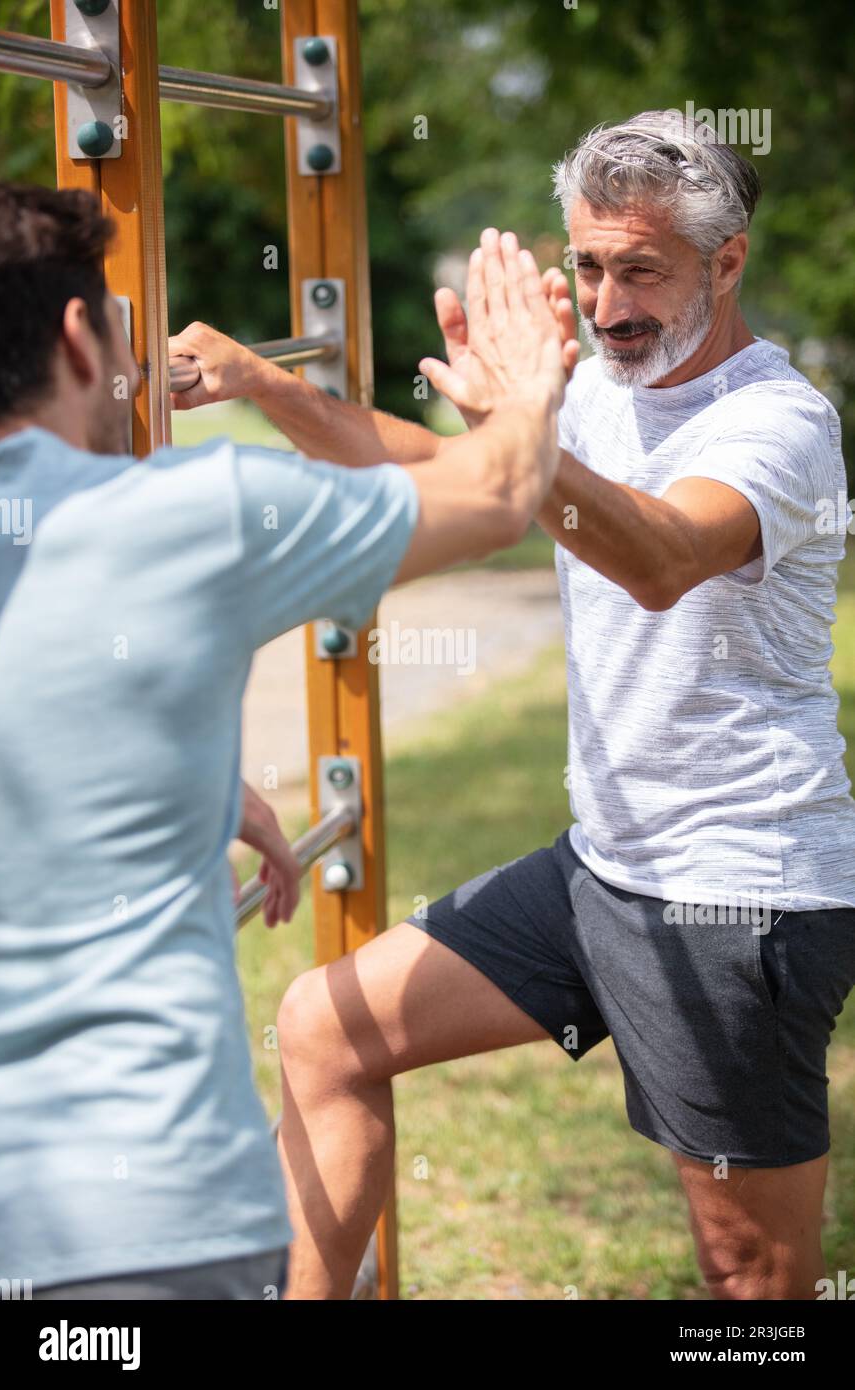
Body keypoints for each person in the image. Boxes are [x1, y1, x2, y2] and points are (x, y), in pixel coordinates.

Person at [172, 110, 855, 1301]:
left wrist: (519, 435)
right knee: (327, 1027)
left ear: (726, 259)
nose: (605, 304)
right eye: (587, 265)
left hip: (732, 894)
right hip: (599, 871)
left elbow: (656, 558)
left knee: (748, 1275)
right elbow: (421, 465)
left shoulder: (778, 423)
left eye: (640, 268)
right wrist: (257, 381)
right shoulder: (589, 392)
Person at [0, 178, 568, 1299]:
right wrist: (530, 377)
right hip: (149, 1225)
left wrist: (199, 782)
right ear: (75, 339)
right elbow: (497, 495)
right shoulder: (192, 511)